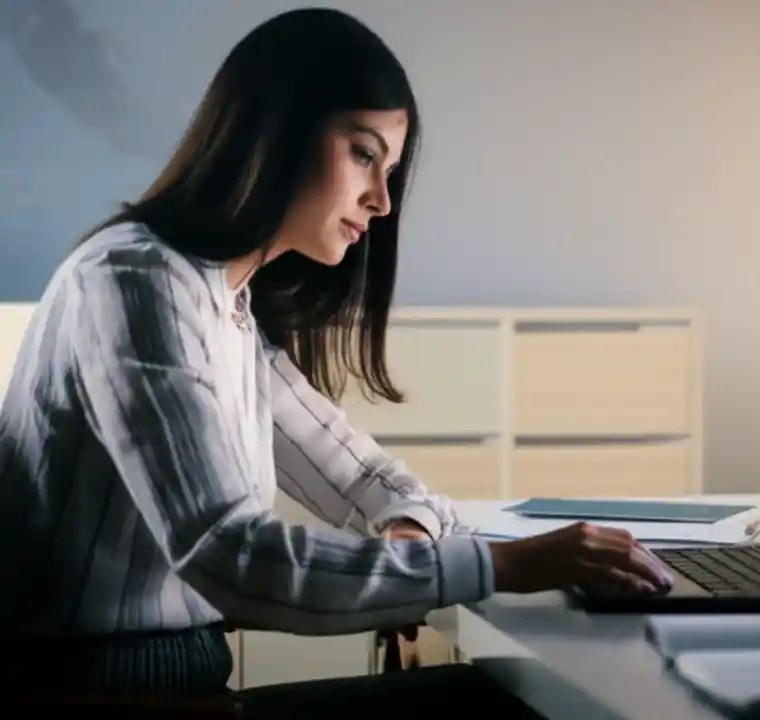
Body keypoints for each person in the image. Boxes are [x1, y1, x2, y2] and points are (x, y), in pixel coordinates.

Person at [0, 7, 671, 715]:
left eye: (390, 169)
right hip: (90, 693)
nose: (381, 200)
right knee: (523, 705)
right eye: (363, 153)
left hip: (183, 682)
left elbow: (364, 478)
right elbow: (230, 555)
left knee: (516, 698)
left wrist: (412, 543)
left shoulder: (223, 305)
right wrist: (501, 565)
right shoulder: (135, 284)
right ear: (278, 130)